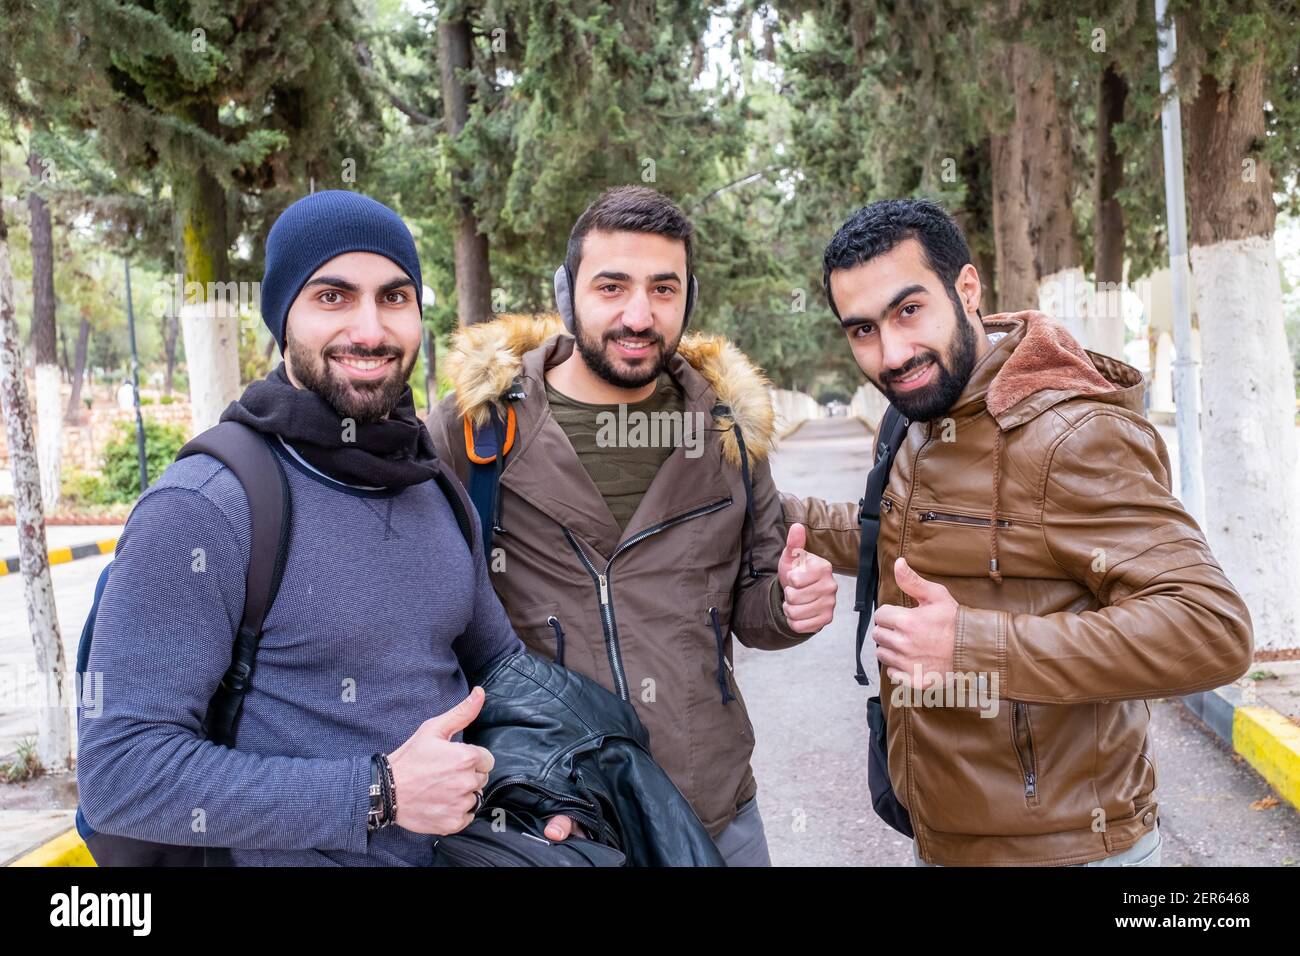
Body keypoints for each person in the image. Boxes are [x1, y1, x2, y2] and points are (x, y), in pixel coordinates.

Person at [782, 198, 1254, 867]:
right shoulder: (919, 413)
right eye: (862, 330)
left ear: (967, 289)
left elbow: (1210, 629)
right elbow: (890, 529)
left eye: (908, 310)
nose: (891, 353)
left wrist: (972, 643)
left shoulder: (1071, 435)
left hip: (1069, 855)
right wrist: (750, 506)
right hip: (941, 841)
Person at [78, 190, 524, 865]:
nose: (370, 330)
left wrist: (551, 789)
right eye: (332, 297)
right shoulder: (205, 507)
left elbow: (502, 671)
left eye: (395, 297)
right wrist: (378, 792)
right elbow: (122, 775)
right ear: (282, 319)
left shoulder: (433, 486)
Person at [430, 186, 838, 866]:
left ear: (689, 297)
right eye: (612, 286)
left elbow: (755, 607)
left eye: (663, 288)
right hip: (557, 820)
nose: (639, 314)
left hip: (716, 811)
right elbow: (428, 627)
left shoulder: (728, 429)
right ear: (567, 294)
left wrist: (793, 604)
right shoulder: (475, 428)